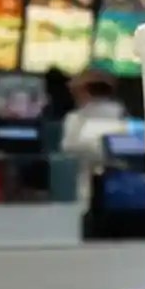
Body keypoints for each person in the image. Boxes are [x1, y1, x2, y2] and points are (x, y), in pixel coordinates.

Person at [61, 69, 128, 209]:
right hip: (101, 187)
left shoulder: (75, 120)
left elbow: (68, 148)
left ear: (84, 92)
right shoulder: (123, 118)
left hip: (109, 187)